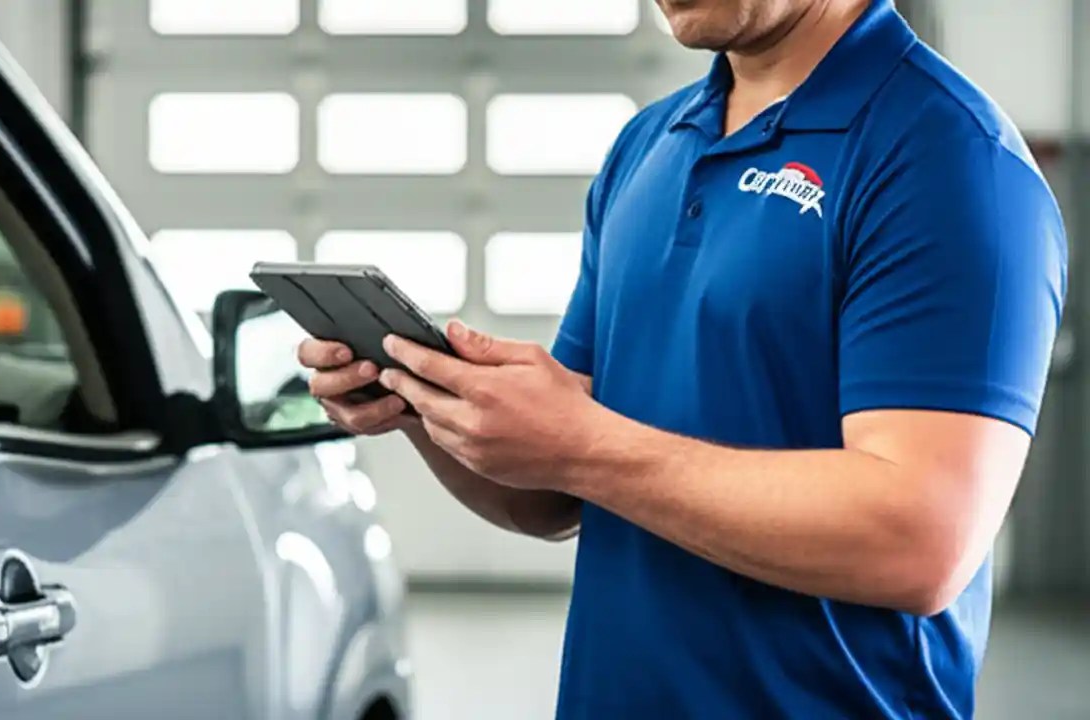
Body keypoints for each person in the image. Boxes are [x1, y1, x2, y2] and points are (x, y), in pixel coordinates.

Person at [298, 0, 1067, 716]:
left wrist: (578, 443)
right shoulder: (652, 145)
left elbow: (919, 542)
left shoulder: (949, 160)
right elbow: (552, 494)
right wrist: (417, 401)